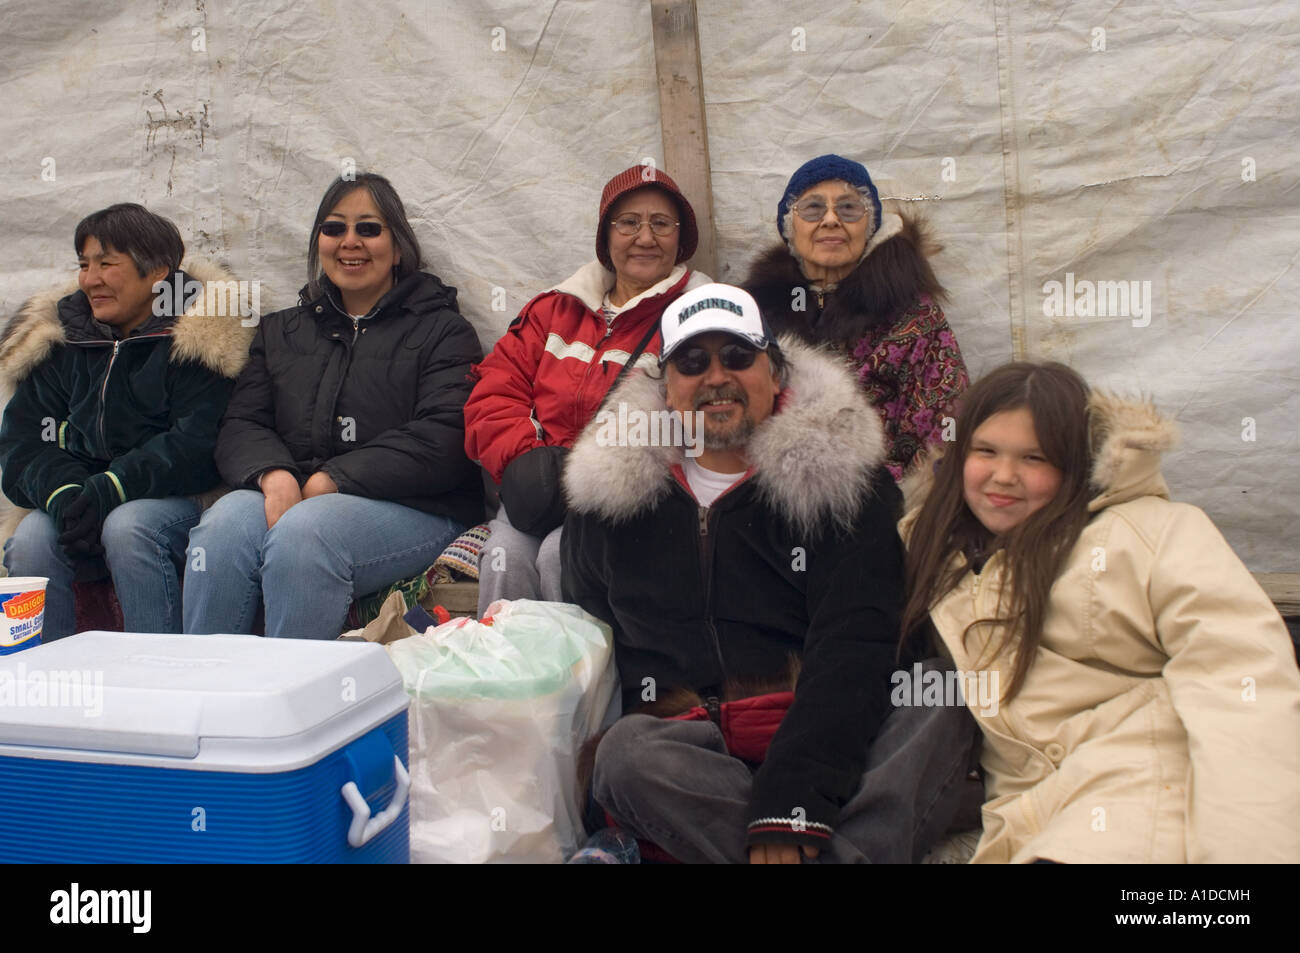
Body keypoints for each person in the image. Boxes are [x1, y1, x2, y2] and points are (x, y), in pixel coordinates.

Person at [562, 282, 977, 864]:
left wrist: (794, 798)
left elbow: (857, 643)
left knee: (942, 695)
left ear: (776, 372)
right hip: (688, 744)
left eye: (737, 356)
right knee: (626, 755)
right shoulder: (612, 500)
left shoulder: (844, 485)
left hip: (821, 726)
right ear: (666, 385)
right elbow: (592, 630)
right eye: (692, 361)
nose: (716, 377)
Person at [900, 361, 1300, 863]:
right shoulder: (932, 552)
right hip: (1024, 816)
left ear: (1073, 464)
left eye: (1034, 457)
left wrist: (1246, 856)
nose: (1004, 476)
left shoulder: (1151, 532)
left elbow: (1242, 680)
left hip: (1135, 781)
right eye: (986, 451)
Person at [183, 174, 482, 639]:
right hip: (298, 492)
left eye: (368, 229)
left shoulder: (443, 331)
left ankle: (294, 703)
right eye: (334, 228)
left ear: (398, 247)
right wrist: (273, 473)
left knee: (308, 535)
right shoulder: (281, 331)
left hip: (416, 508)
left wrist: (335, 479)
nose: (349, 243)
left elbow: (445, 435)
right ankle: (207, 693)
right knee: (222, 529)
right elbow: (242, 422)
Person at [463, 165, 711, 620]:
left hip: (630, 502)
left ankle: (586, 686)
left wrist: (596, 479)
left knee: (561, 556)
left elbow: (701, 422)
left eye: (661, 223)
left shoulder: (700, 317)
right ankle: (506, 686)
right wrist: (529, 466)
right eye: (628, 222)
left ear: (681, 238)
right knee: (505, 557)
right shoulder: (554, 308)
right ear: (605, 235)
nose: (644, 236)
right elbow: (494, 392)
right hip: (539, 494)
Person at [0, 203, 252, 640]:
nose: (90, 278)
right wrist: (63, 493)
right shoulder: (64, 340)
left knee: (128, 526)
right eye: (84, 264)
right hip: (81, 493)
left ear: (156, 272)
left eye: (106, 264)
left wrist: (112, 487)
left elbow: (199, 442)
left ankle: (154, 673)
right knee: (33, 537)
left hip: (182, 498)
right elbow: (23, 443)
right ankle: (49, 680)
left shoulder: (197, 336)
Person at [743, 154, 968, 480]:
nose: (831, 219)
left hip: (881, 504)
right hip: (768, 501)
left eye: (849, 208)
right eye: (812, 208)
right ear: (790, 228)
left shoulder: (912, 316)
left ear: (870, 225)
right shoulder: (757, 313)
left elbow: (944, 426)